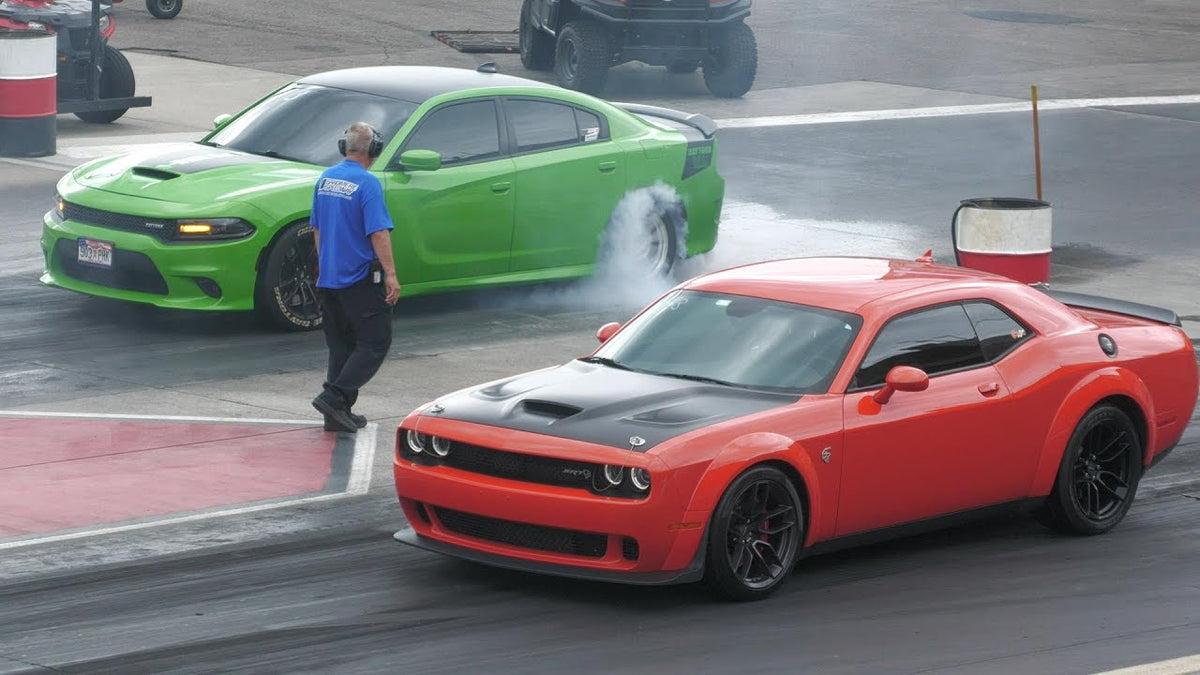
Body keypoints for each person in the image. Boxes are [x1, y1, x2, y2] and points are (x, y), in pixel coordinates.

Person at [310, 122, 401, 433]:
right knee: (375, 341)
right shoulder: (367, 183)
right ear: (374, 150)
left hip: (329, 277)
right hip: (359, 278)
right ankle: (333, 398)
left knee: (342, 346)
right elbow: (378, 232)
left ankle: (337, 413)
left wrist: (325, 265)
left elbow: (317, 228)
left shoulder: (326, 179)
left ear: (344, 147)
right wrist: (391, 274)